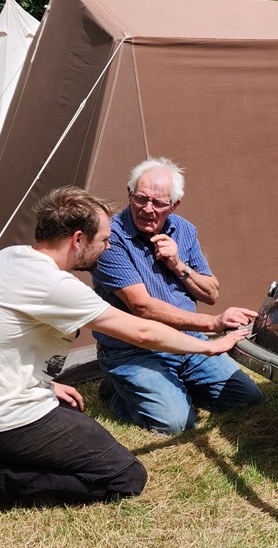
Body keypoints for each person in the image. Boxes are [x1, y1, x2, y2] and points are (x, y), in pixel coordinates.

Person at [0, 186, 250, 528]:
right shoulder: (52, 285)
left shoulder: (11, 256)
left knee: (83, 433)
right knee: (125, 477)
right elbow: (142, 331)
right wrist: (210, 345)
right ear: (78, 239)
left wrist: (47, 386)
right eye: (104, 239)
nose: (108, 246)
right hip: (4, 420)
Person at [91, 157, 262, 435]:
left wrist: (178, 265)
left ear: (174, 205)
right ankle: (116, 392)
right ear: (129, 194)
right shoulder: (110, 238)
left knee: (247, 398)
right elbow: (142, 307)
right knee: (177, 423)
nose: (147, 209)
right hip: (134, 349)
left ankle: (172, 388)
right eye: (140, 199)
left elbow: (211, 293)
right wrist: (213, 323)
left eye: (158, 203)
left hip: (186, 340)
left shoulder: (183, 230)